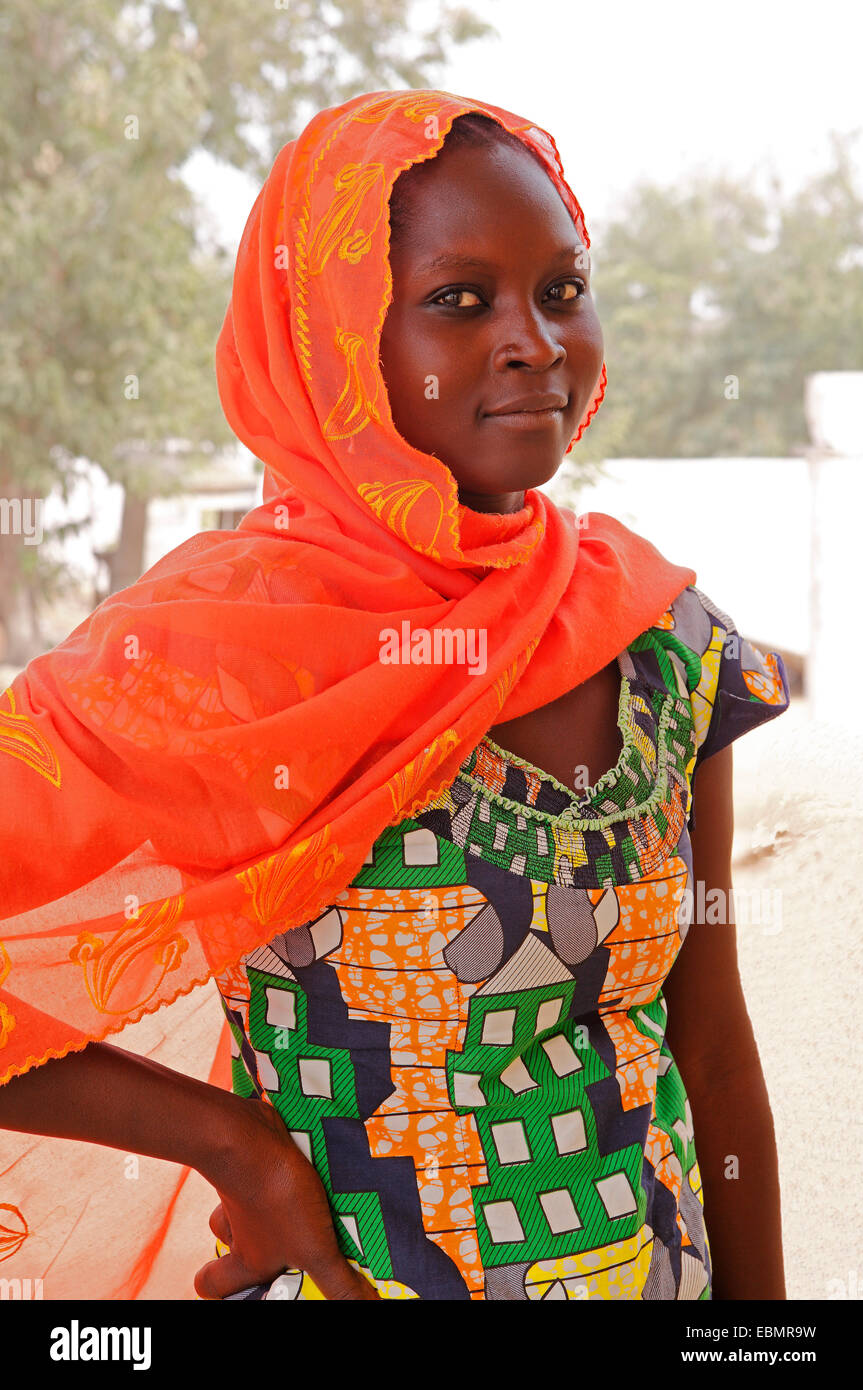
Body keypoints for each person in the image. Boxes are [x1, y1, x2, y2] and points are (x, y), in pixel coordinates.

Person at [0, 89, 790, 1302]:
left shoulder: (660, 638)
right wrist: (235, 1147)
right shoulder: (220, 661)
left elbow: (711, 1033)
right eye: (456, 302)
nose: (533, 340)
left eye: (561, 290)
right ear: (329, 342)